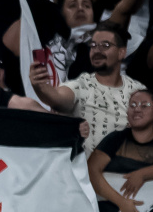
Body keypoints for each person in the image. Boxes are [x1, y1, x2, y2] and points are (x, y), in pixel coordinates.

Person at [31, 22, 144, 154]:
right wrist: (41, 86)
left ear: (121, 53)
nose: (97, 51)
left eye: (105, 45)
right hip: (86, 168)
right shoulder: (80, 85)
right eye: (94, 45)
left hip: (124, 167)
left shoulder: (137, 91)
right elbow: (58, 98)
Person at [86, 88, 153, 212]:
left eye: (144, 106)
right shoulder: (116, 138)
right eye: (133, 105)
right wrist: (121, 202)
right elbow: (92, 170)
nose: (137, 109)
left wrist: (142, 174)